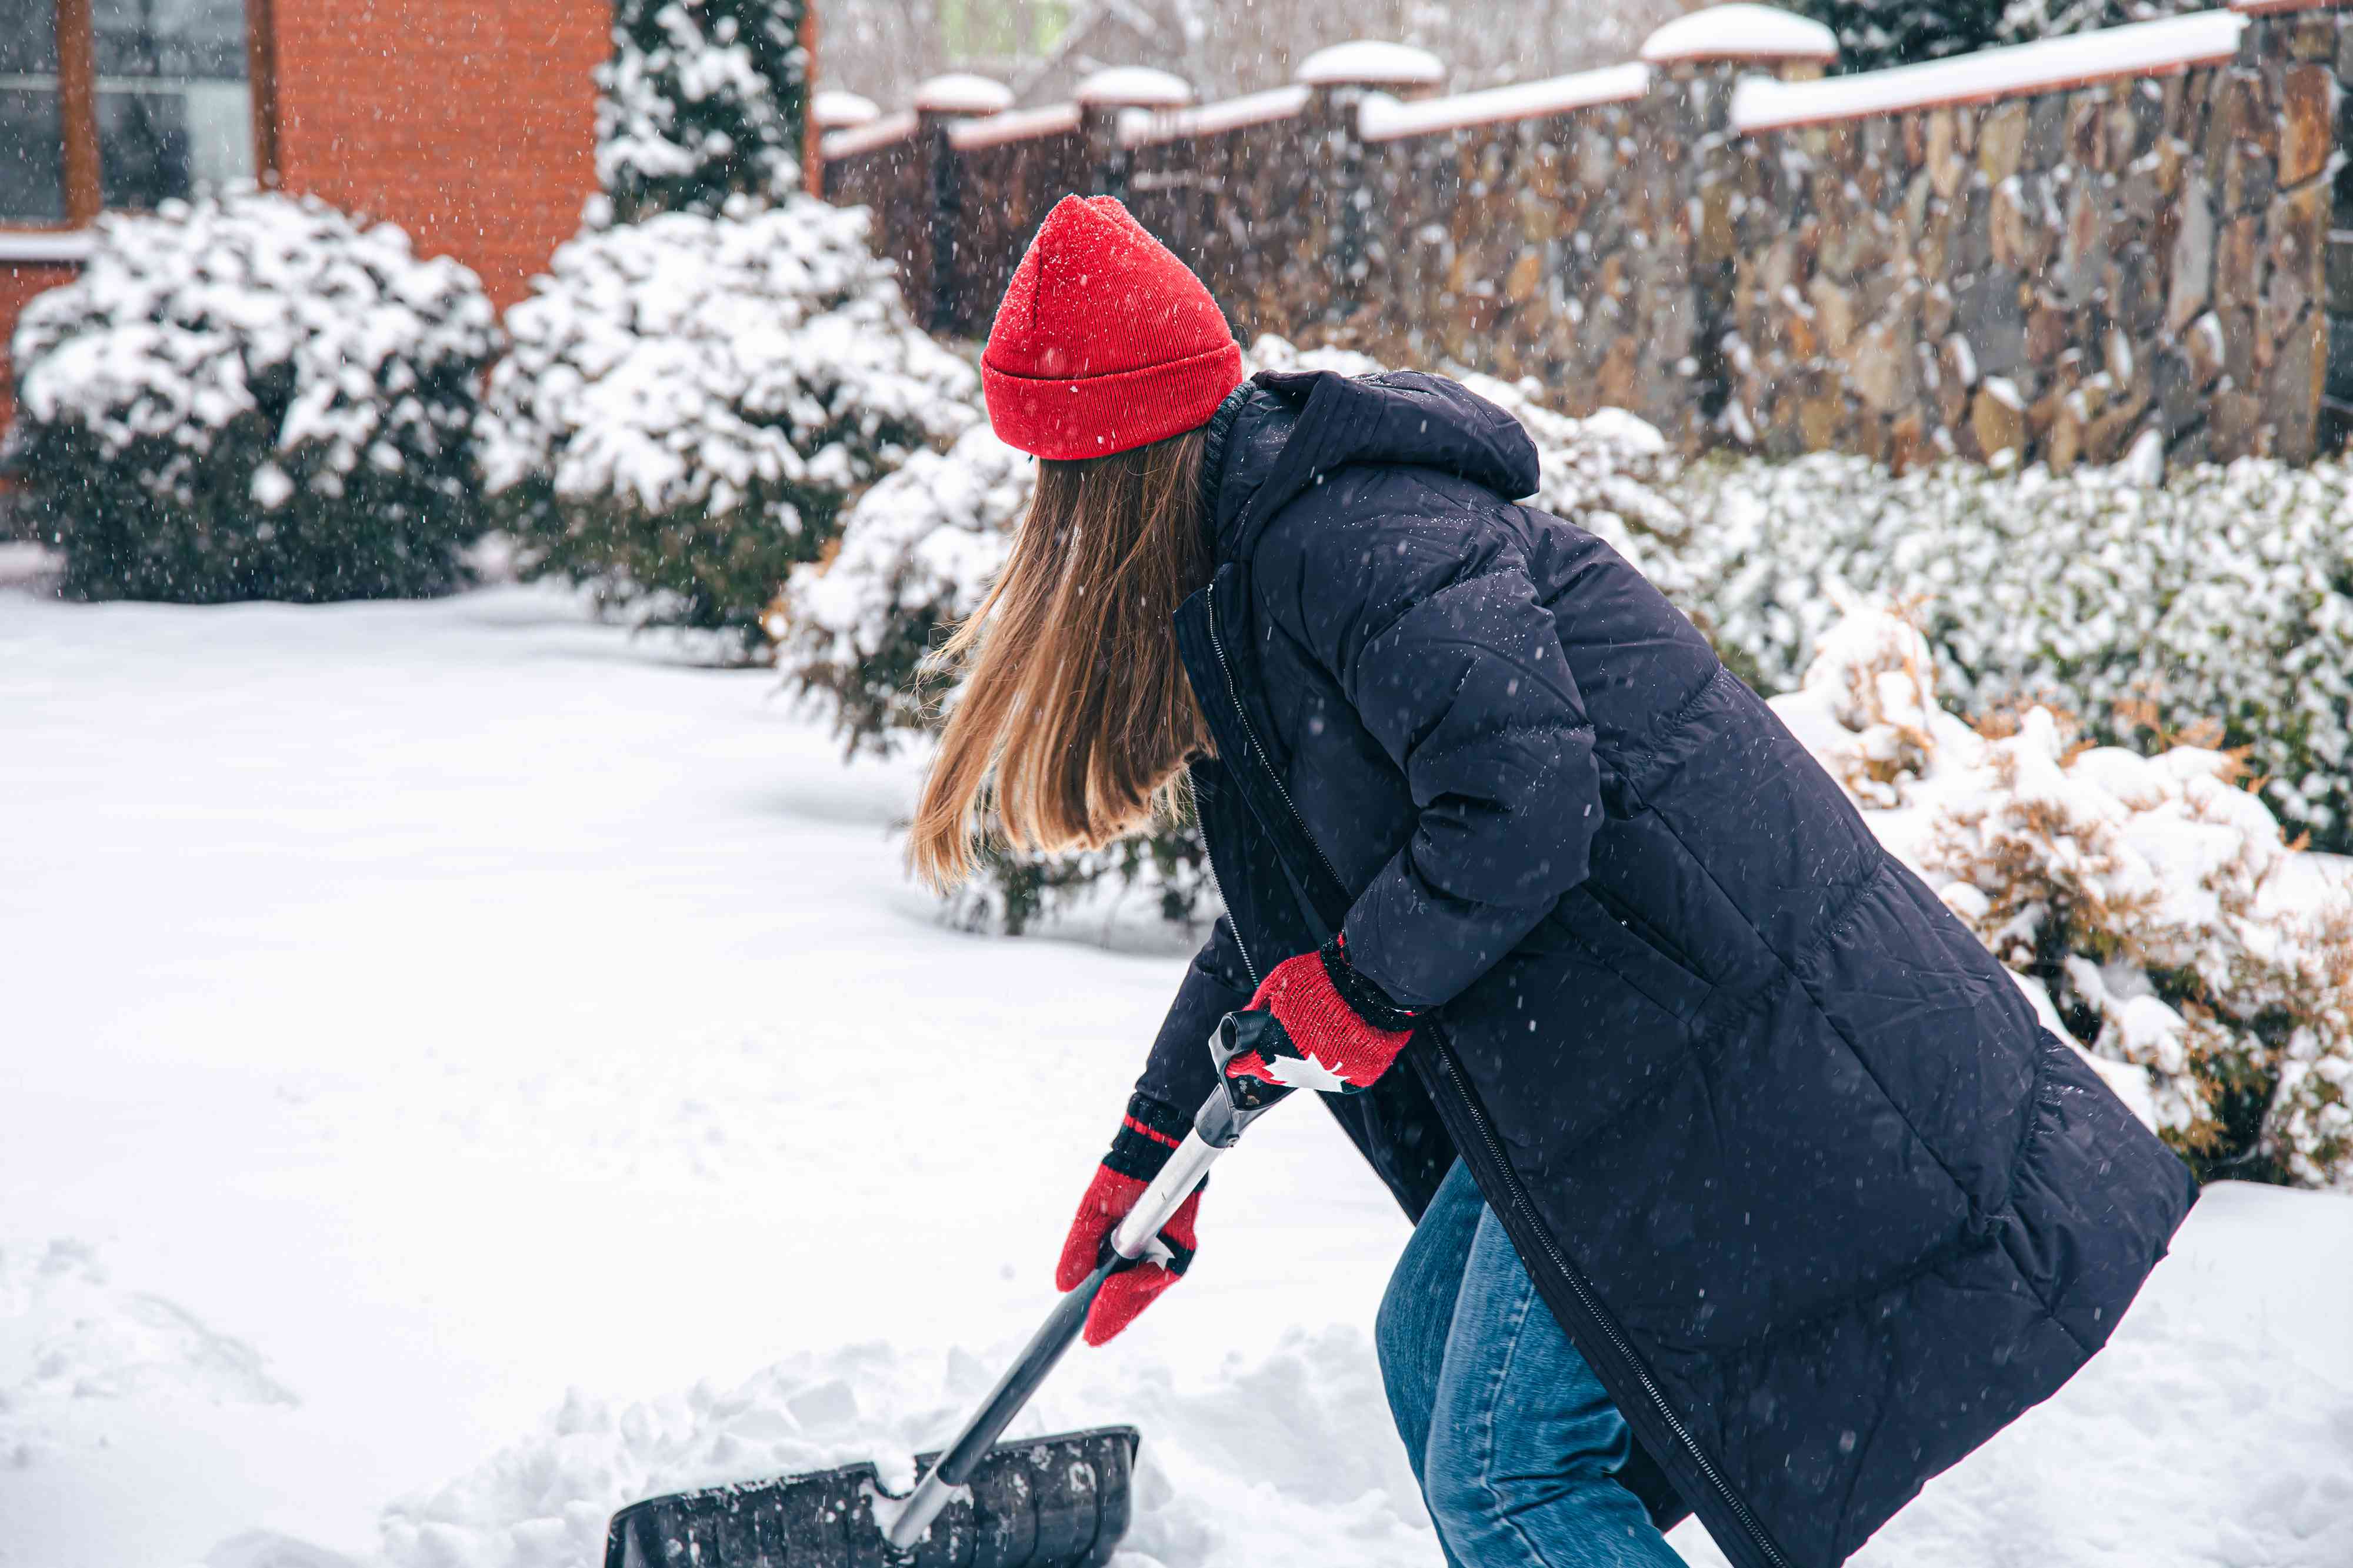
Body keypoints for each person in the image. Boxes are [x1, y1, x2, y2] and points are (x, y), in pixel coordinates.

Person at [909, 193, 2195, 1568]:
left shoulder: (1346, 541)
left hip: (1709, 1040)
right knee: (1432, 1362)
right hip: (1617, 1045)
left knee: (1507, 1466)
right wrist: (1152, 1142)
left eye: (1049, 487)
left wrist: (1361, 990)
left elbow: (1524, 798)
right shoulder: (1262, 561)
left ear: (1103, 478)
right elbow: (1296, 905)